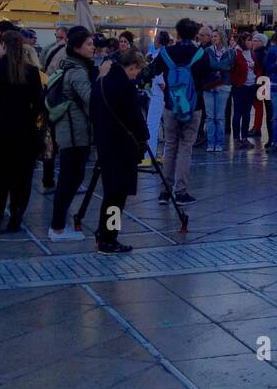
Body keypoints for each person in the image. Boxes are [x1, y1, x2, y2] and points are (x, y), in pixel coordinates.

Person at [0, 30, 43, 234]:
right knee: (22, 177)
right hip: (24, 132)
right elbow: (39, 105)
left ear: (2, 46)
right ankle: (16, 216)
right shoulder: (31, 72)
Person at [90, 49, 149, 253]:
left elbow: (92, 110)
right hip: (122, 146)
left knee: (110, 192)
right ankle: (109, 237)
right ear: (131, 67)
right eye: (136, 71)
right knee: (117, 196)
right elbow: (135, 116)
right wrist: (144, 135)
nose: (136, 75)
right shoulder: (125, 86)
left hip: (105, 144)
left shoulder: (101, 82)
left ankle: (103, 233)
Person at [48, 27, 96, 240]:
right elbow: (91, 100)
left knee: (70, 179)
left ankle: (58, 225)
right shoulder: (77, 71)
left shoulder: (69, 65)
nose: (93, 47)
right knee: (70, 180)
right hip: (74, 133)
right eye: (89, 44)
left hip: (70, 131)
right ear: (77, 48)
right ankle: (57, 227)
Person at [151, 19, 202, 205]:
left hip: (170, 105)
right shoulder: (200, 54)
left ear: (177, 34)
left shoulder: (166, 53)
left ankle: (164, 192)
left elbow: (153, 70)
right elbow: (208, 76)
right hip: (193, 106)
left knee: (170, 145)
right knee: (186, 148)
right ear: (195, 34)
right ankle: (181, 191)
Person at [198, 29, 235, 153]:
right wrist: (219, 67)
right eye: (212, 36)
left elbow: (228, 65)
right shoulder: (207, 51)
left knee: (219, 116)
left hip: (224, 85)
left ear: (222, 37)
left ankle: (219, 143)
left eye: (216, 36)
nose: (213, 38)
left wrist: (216, 66)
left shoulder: (230, 51)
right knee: (210, 116)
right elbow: (208, 64)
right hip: (209, 86)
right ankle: (210, 143)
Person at [230, 31, 263, 149]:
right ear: (243, 41)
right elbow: (232, 69)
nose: (251, 43)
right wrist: (236, 82)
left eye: (252, 40)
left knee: (247, 113)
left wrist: (257, 77)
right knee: (237, 113)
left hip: (251, 85)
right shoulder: (236, 52)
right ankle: (236, 138)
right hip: (240, 86)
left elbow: (257, 67)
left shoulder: (252, 53)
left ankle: (244, 137)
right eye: (249, 40)